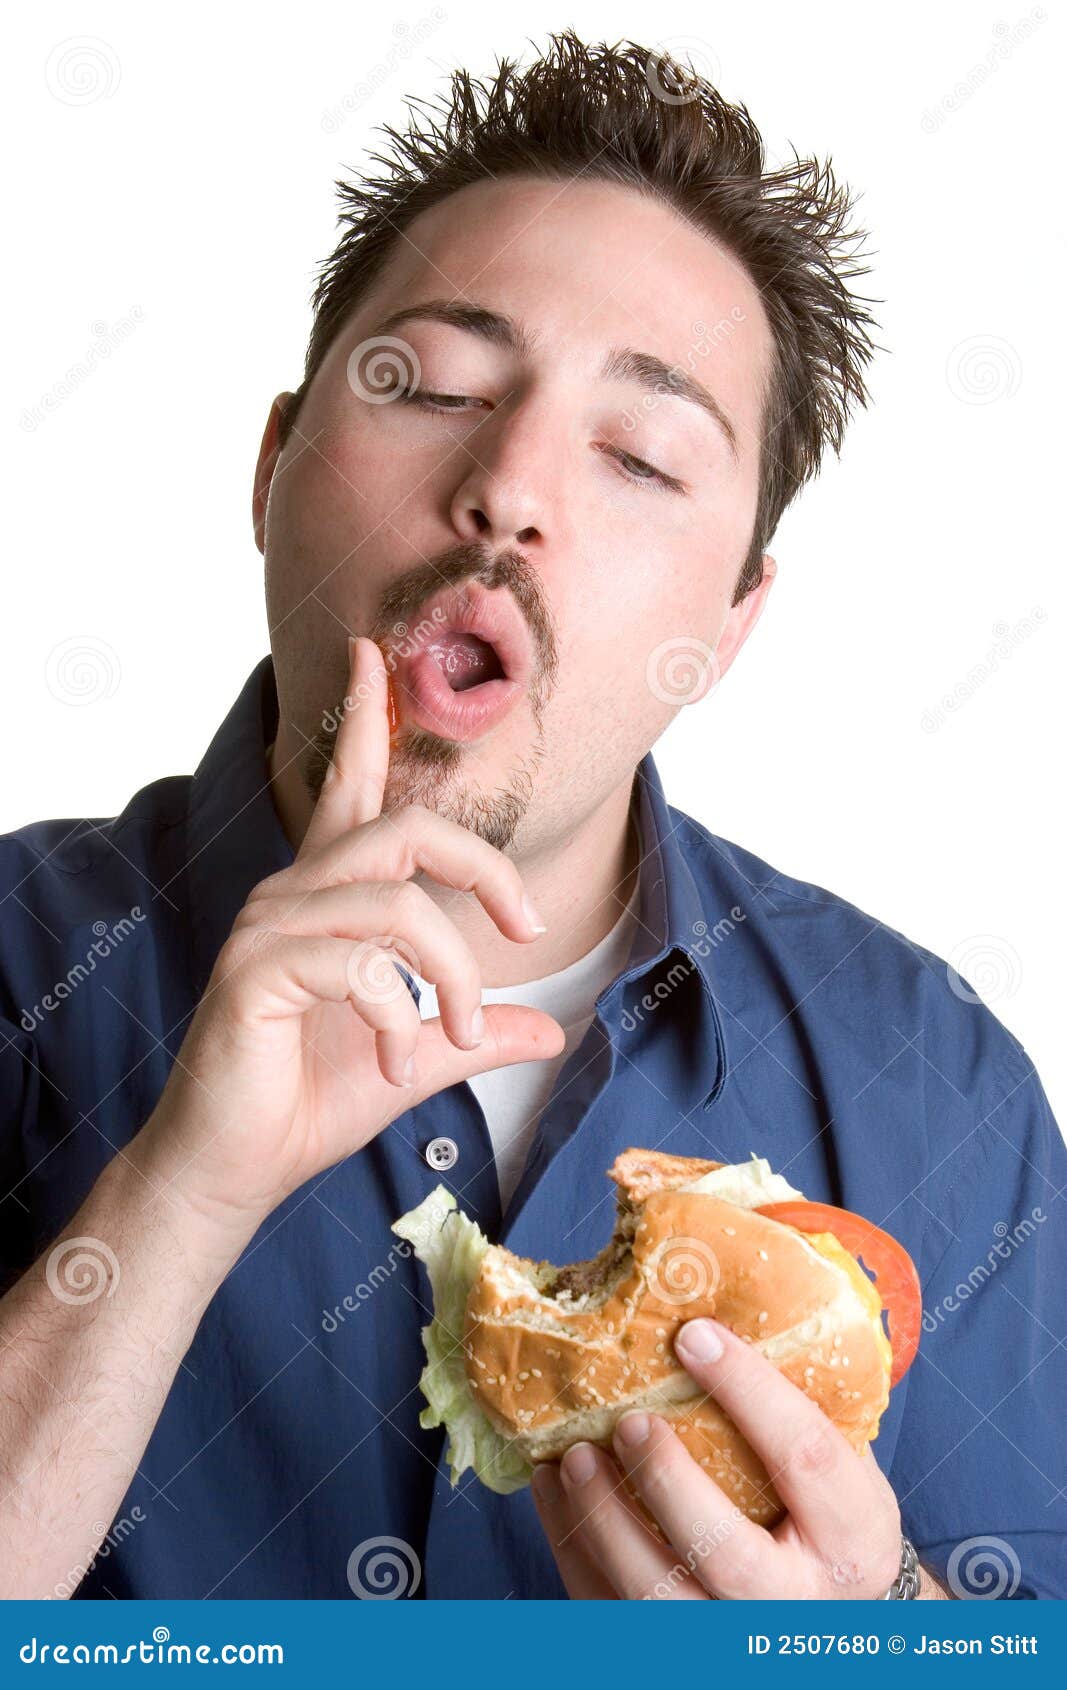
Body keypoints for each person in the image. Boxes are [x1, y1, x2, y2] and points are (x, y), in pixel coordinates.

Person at [1, 31, 1063, 1601]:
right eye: (429, 385)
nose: (511, 488)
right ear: (273, 466)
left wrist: (880, 1637)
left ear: (734, 616)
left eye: (640, 454)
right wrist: (181, 1194)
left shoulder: (940, 1081)